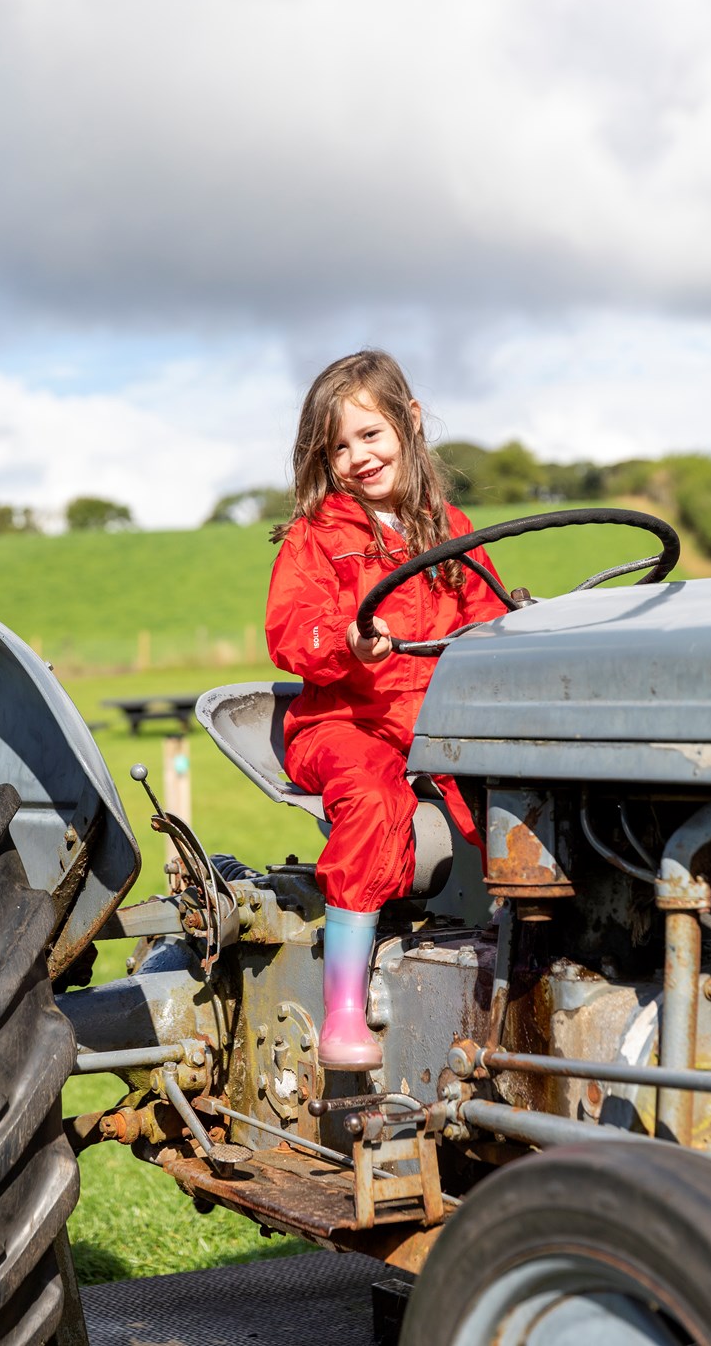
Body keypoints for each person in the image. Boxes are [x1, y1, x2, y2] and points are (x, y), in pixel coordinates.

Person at [265, 350, 507, 1069]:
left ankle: (521, 952)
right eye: (337, 446)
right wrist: (345, 640)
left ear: (411, 423)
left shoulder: (450, 529)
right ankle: (344, 1012)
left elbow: (487, 617)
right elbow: (288, 631)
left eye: (369, 435)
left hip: (432, 723)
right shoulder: (316, 539)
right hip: (343, 721)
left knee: (513, 798)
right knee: (372, 800)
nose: (357, 458)